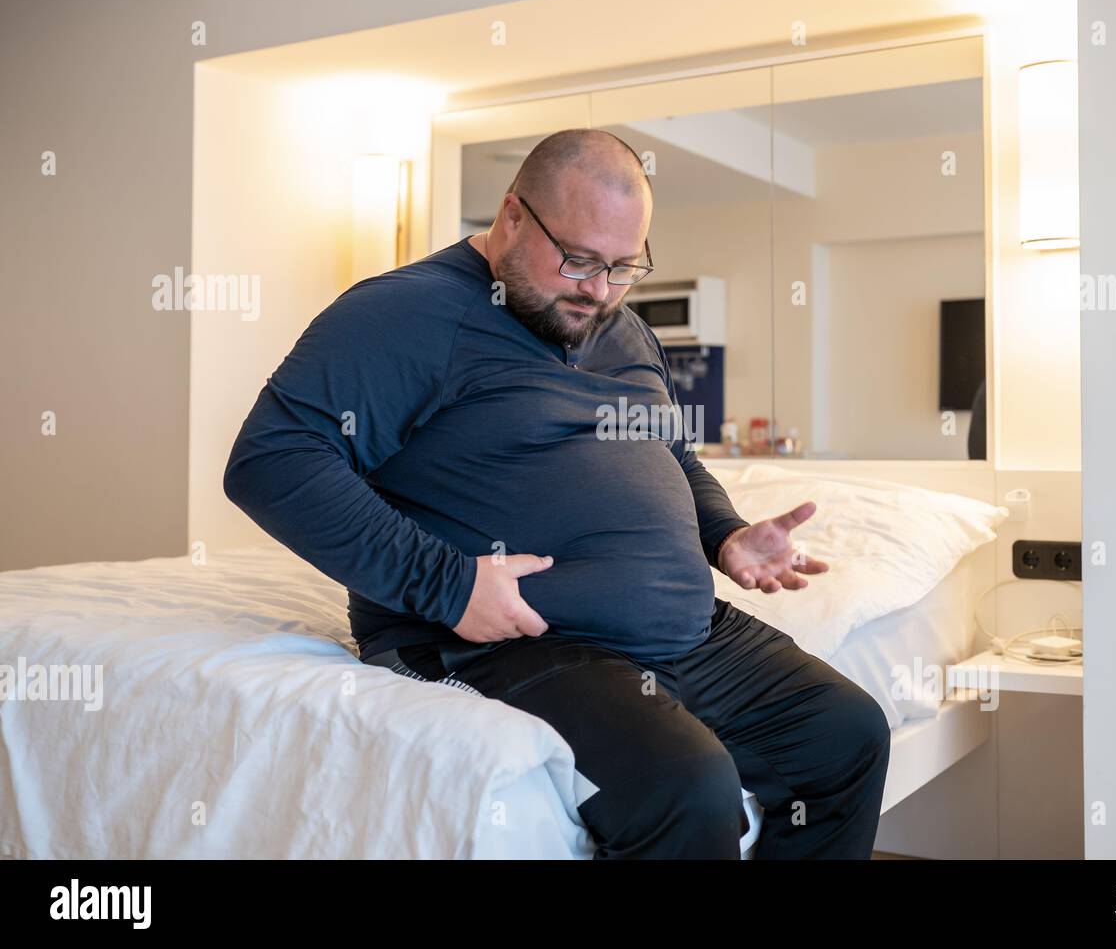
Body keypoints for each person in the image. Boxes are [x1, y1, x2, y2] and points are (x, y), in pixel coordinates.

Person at [223, 128, 890, 858]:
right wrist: (448, 587)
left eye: (623, 266)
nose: (599, 290)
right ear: (512, 215)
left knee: (848, 736)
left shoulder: (622, 327)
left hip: (681, 635)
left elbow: (666, 453)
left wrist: (723, 533)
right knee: (689, 787)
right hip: (506, 640)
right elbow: (273, 459)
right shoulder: (405, 314)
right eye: (578, 259)